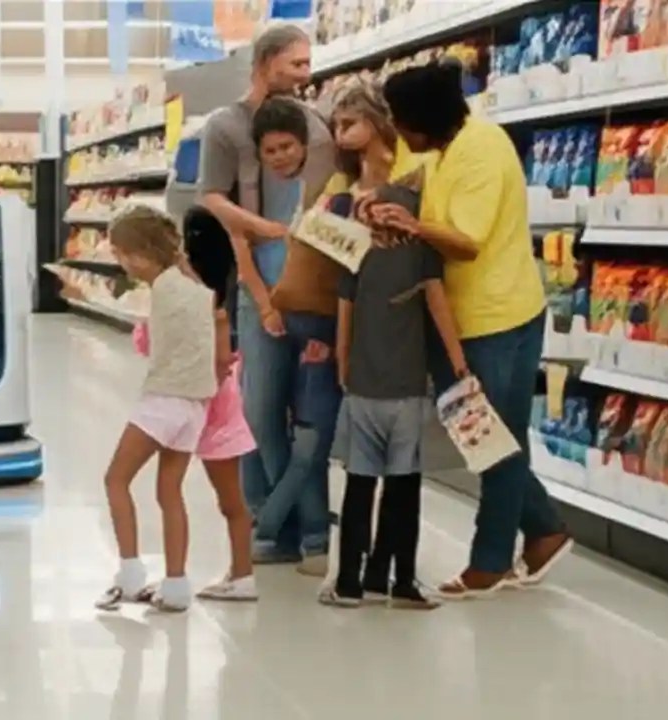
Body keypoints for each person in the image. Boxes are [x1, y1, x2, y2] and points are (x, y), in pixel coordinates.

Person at [366, 61, 573, 598]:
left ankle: (489, 563)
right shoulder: (445, 141)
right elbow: (407, 173)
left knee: (492, 442)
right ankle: (545, 531)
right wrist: (380, 199)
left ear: (421, 121)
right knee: (490, 436)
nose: (395, 128)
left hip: (494, 318)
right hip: (470, 314)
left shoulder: (481, 150)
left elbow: (467, 239)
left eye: (398, 118)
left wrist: (411, 225)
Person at [311, 83, 470, 611]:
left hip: (369, 384)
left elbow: (347, 303)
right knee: (403, 487)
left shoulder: (358, 245)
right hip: (403, 385)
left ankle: (354, 581)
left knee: (363, 486)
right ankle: (396, 579)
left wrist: (342, 355)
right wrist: (457, 362)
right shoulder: (420, 246)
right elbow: (436, 299)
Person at [198, 23, 338, 570]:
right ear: (266, 61)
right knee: (258, 412)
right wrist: (263, 236)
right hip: (255, 288)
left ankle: (294, 528)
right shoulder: (226, 127)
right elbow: (215, 200)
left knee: (305, 417)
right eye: (297, 64)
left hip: (309, 292)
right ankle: (282, 520)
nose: (307, 74)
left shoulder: (314, 126)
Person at [95, 206, 221, 613]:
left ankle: (130, 576)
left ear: (138, 254)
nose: (122, 263)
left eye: (120, 254)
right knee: (170, 492)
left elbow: (135, 310)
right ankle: (176, 584)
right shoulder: (194, 288)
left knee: (116, 480)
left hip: (164, 400)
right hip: (195, 405)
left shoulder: (162, 289)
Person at [129, 217, 260, 602]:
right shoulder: (212, 301)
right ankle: (237, 573)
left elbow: (160, 349)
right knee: (227, 500)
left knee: (176, 493)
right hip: (217, 412)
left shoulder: (186, 303)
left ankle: (189, 577)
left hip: (200, 410)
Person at [245, 97, 342, 562]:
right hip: (286, 317)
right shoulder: (295, 189)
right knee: (274, 423)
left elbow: (337, 267)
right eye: (271, 150)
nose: (281, 156)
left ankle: (294, 534)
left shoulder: (329, 183)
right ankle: (299, 532)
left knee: (309, 438)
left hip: (322, 327)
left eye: (288, 146)